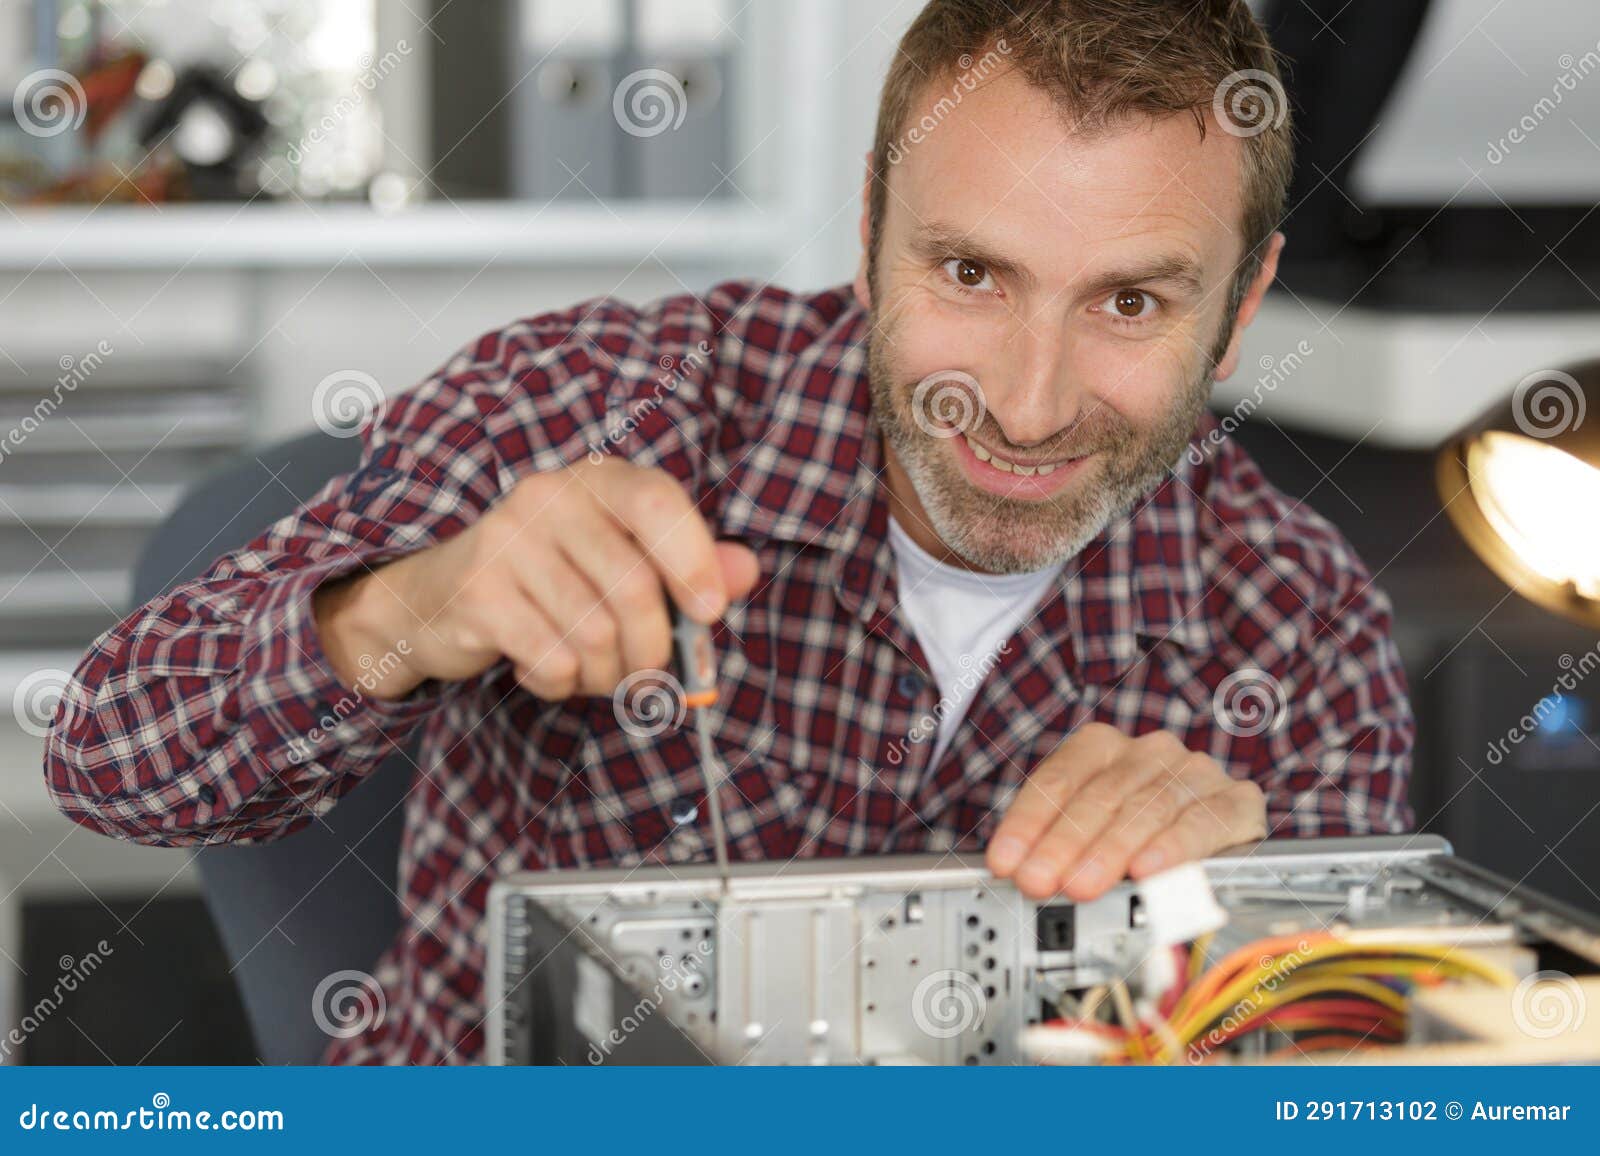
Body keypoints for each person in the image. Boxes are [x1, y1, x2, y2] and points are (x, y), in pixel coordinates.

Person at [44, 0, 1414, 1063]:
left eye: (1131, 305)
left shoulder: (1296, 620)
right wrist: (408, 613)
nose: (1026, 401)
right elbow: (111, 763)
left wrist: (1261, 944)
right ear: (872, 223)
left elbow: (1346, 1071)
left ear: (1240, 307)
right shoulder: (592, 404)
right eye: (971, 271)